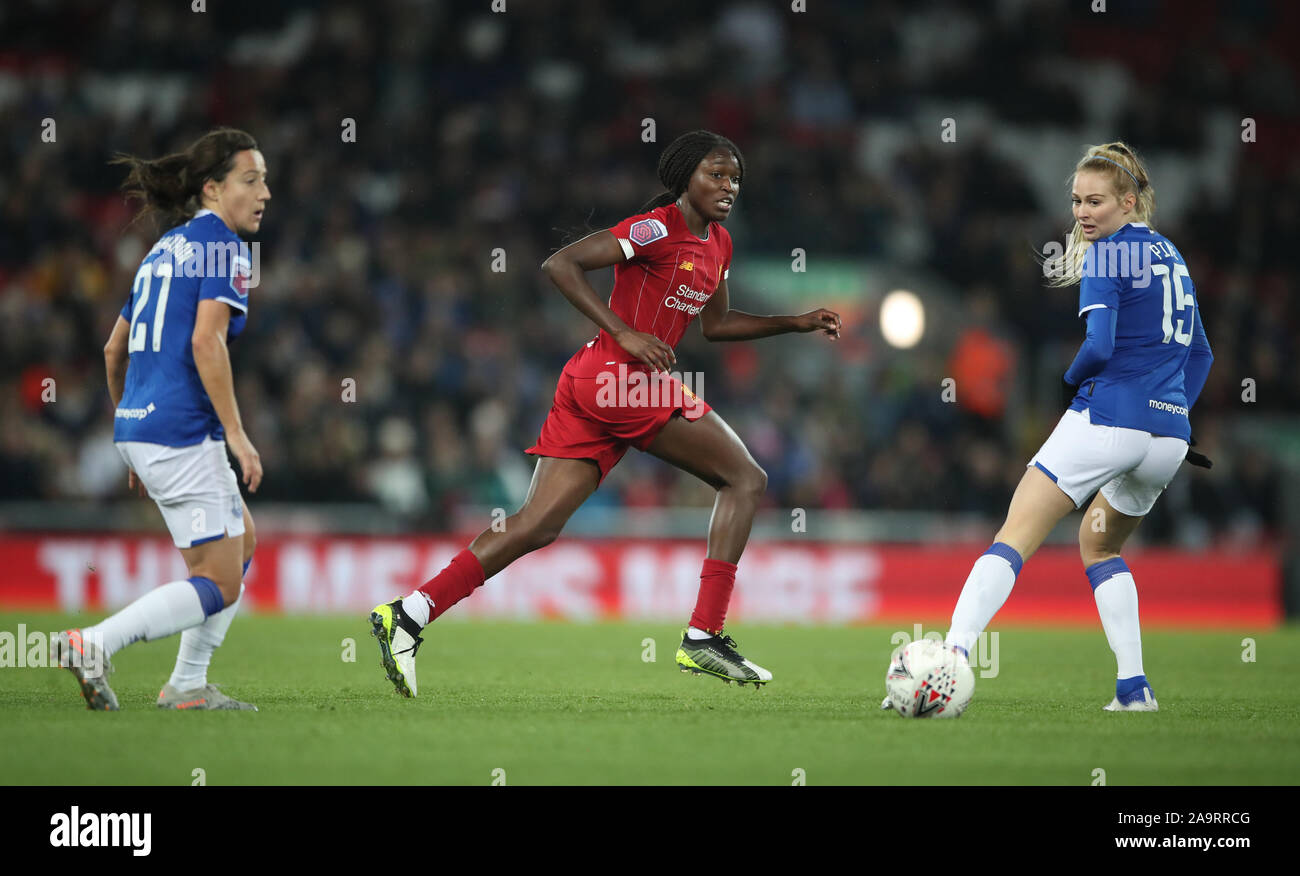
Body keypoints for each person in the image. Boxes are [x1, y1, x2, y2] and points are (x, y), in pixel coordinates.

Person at [371, 130, 841, 695]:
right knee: (746, 477)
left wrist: (792, 323)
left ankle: (410, 614)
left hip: (594, 383)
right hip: (620, 381)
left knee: (536, 525)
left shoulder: (719, 245)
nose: (728, 186)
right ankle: (704, 635)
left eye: (735, 178)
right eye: (716, 174)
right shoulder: (656, 228)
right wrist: (624, 331)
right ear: (685, 178)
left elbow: (715, 327)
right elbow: (561, 264)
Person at [892, 142, 1213, 713]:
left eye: (1096, 201)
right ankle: (1134, 689)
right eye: (1076, 202)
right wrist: (1173, 412)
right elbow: (1202, 356)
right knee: (1100, 545)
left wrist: (1068, 385)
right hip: (1167, 437)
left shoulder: (1110, 255)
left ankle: (952, 660)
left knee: (1014, 533)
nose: (1083, 214)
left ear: (1129, 202)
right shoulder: (1172, 257)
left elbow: (1100, 346)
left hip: (1109, 417)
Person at [52, 128, 269, 711]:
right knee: (220, 580)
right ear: (212, 188)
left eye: (265, 179)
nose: (264, 192)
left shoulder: (164, 248)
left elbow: (111, 350)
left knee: (242, 540)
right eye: (251, 180)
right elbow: (206, 343)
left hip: (143, 425)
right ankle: (96, 643)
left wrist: (131, 432)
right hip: (180, 429)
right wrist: (239, 436)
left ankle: (188, 687)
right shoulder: (225, 247)